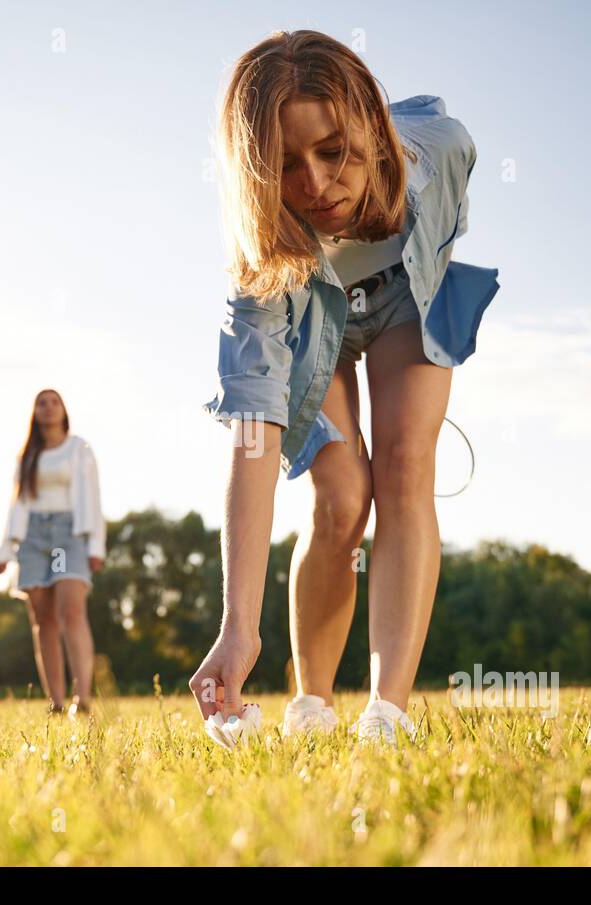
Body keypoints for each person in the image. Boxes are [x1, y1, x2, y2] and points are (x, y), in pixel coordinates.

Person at [191, 30, 500, 744]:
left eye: (333, 151)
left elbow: (445, 220)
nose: (315, 185)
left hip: (408, 296)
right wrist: (237, 626)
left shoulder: (446, 148)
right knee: (340, 497)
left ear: (370, 125)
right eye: (283, 165)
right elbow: (252, 436)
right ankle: (312, 703)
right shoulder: (260, 272)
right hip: (311, 311)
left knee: (403, 467)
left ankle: (385, 714)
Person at [0, 388, 106, 718]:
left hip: (69, 533)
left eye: (54, 401)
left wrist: (95, 545)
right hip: (31, 538)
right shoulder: (27, 455)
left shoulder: (78, 448)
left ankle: (82, 698)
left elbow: (94, 497)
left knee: (71, 612)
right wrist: (5, 550)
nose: (48, 407)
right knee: (43, 620)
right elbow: (17, 503)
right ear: (35, 412)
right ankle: (55, 702)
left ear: (63, 410)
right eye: (41, 403)